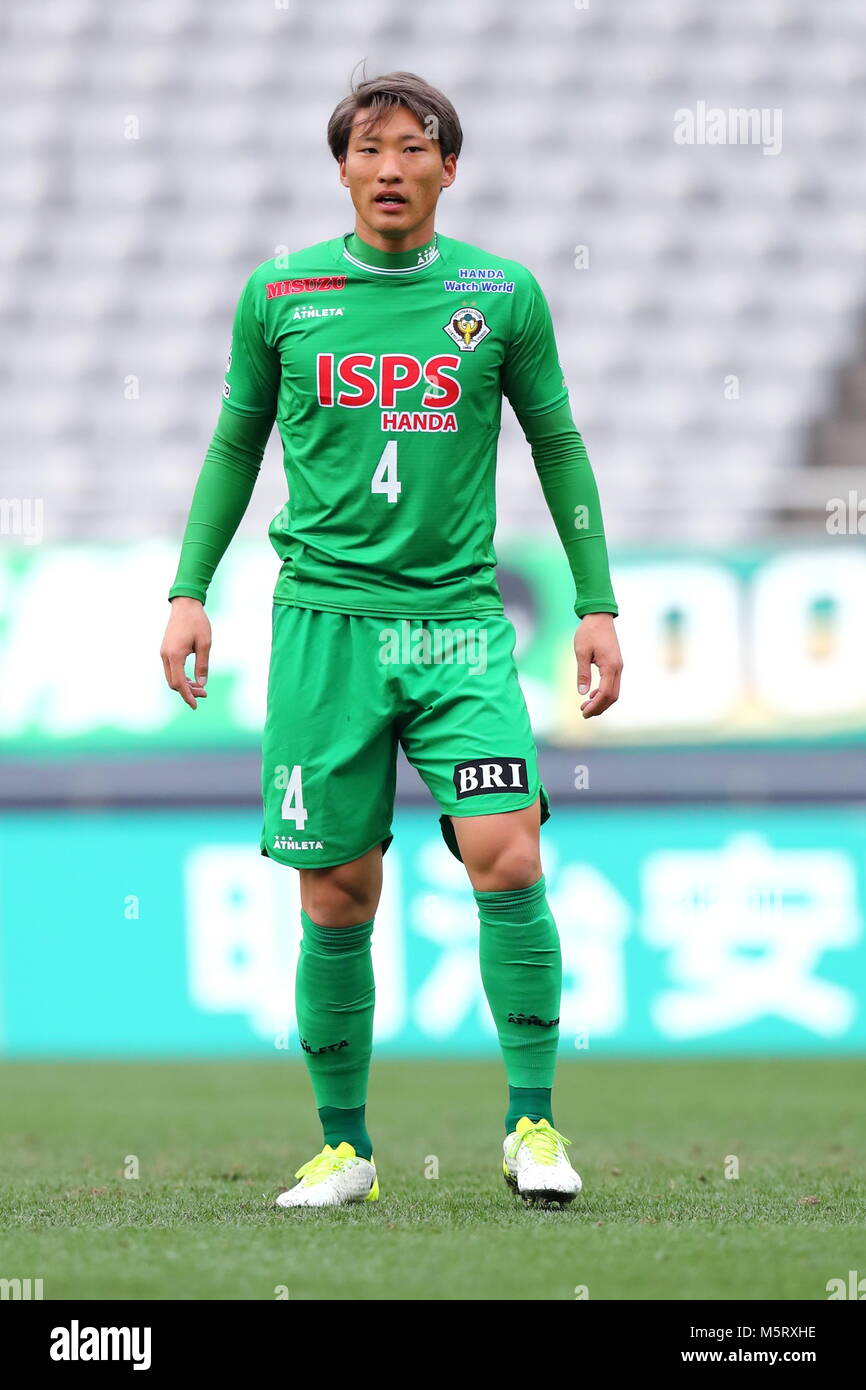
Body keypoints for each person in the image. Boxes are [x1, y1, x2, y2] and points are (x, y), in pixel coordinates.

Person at [161, 70, 622, 1209]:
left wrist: (594, 601)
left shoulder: (499, 294)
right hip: (324, 625)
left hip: (462, 627)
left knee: (504, 851)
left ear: (447, 168)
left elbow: (556, 443)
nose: (389, 167)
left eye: (413, 147)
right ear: (340, 168)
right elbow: (232, 448)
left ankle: (531, 1126)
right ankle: (345, 1149)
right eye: (368, 149)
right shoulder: (282, 292)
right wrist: (187, 589)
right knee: (335, 895)